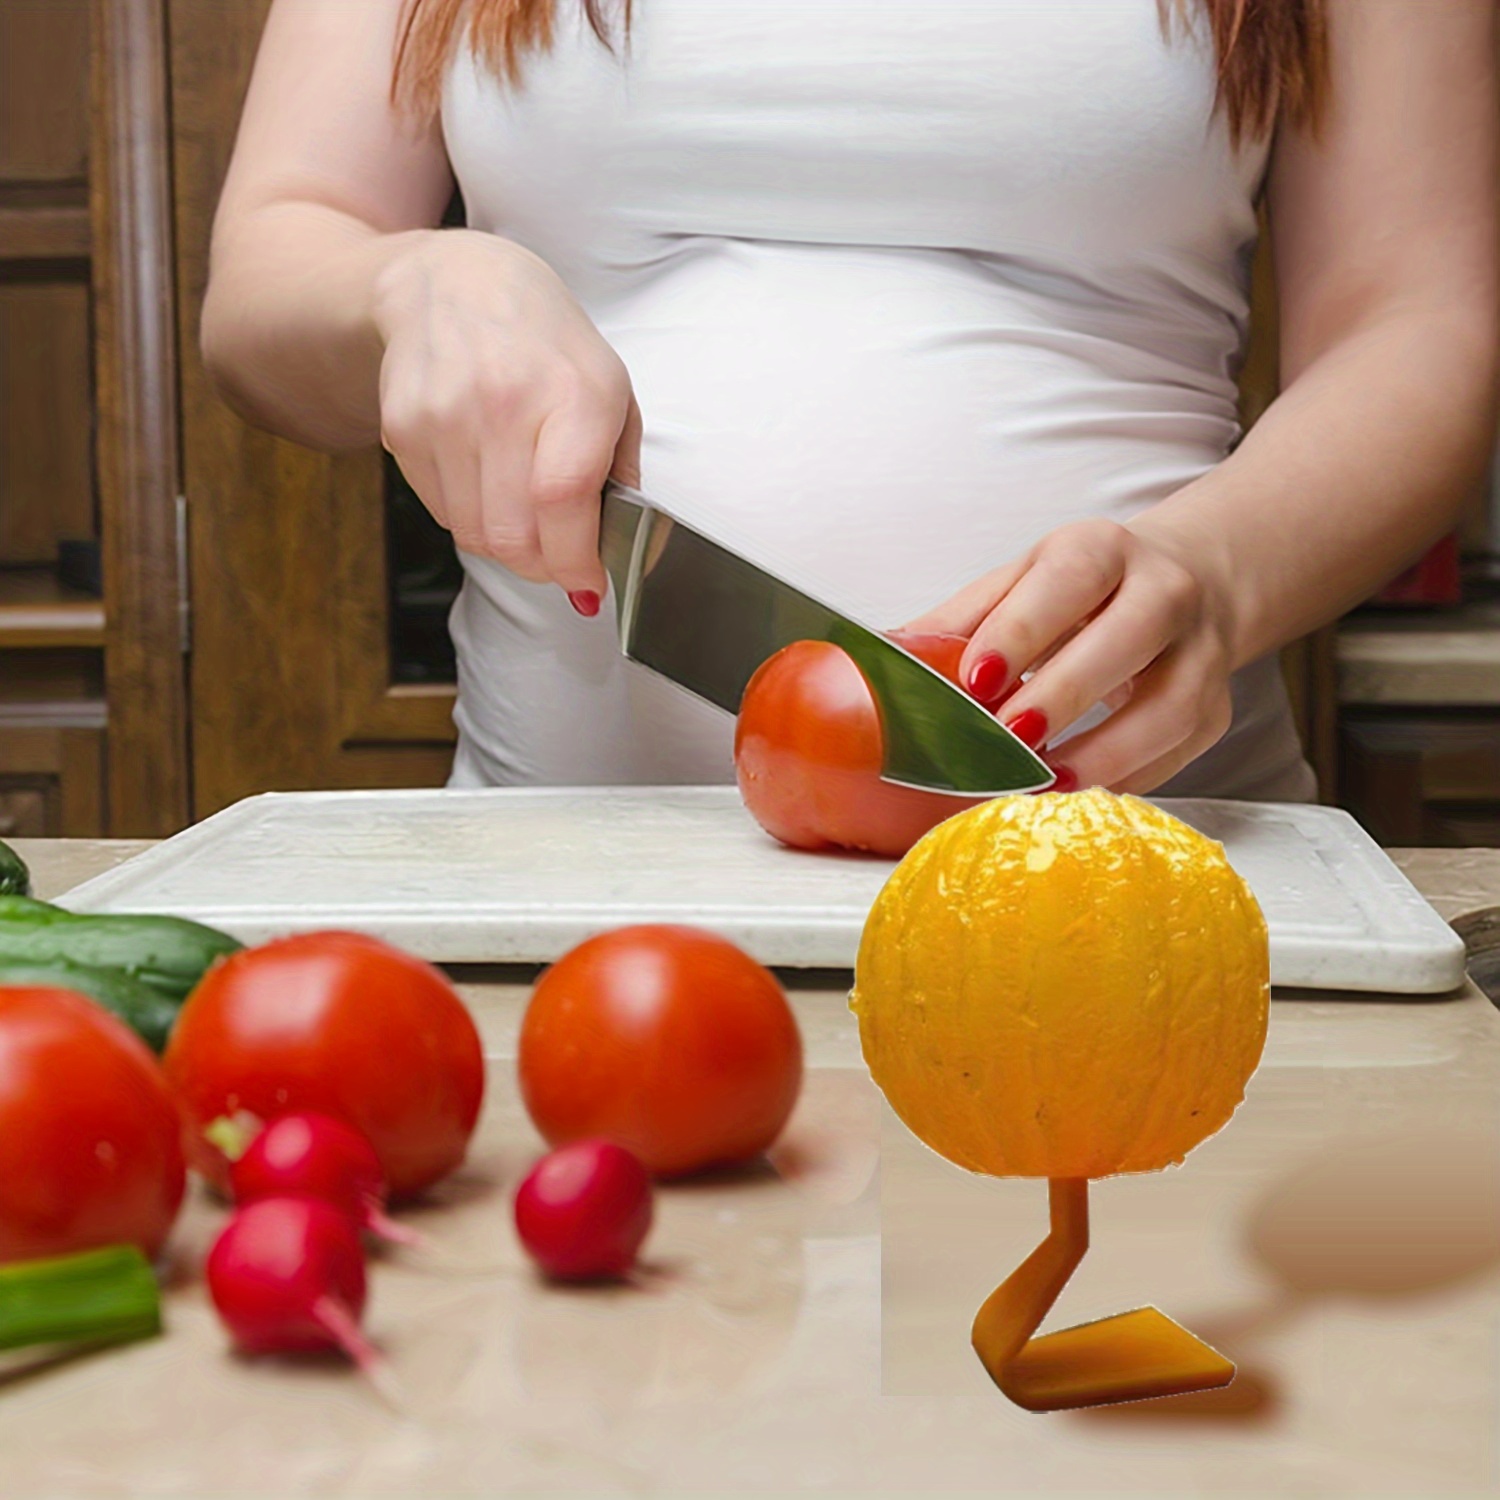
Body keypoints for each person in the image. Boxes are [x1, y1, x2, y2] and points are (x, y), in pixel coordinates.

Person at [201, 0, 1498, 800]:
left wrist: (1217, 571)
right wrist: (415, 284)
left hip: (1136, 873)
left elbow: (1414, 318)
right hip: (572, 894)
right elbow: (270, 272)